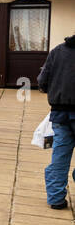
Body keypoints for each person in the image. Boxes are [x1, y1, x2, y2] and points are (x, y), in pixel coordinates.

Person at [37, 30, 75, 209]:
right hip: (63, 111)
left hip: (60, 113)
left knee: (60, 155)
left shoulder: (58, 51)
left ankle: (56, 198)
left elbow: (42, 81)